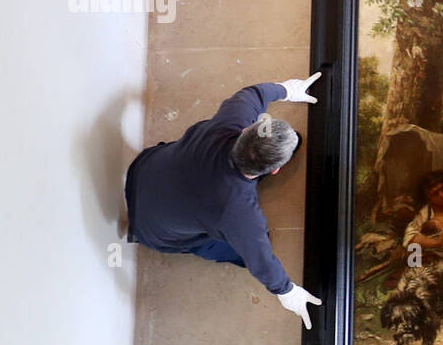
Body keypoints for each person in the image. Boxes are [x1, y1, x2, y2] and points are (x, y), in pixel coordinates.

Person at [123, 73, 324, 328]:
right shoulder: (237, 214)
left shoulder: (228, 122)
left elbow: (255, 93)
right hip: (153, 232)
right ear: (274, 170)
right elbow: (260, 260)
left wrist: (288, 90)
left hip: (143, 170)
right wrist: (288, 292)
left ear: (246, 129)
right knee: (250, 244)